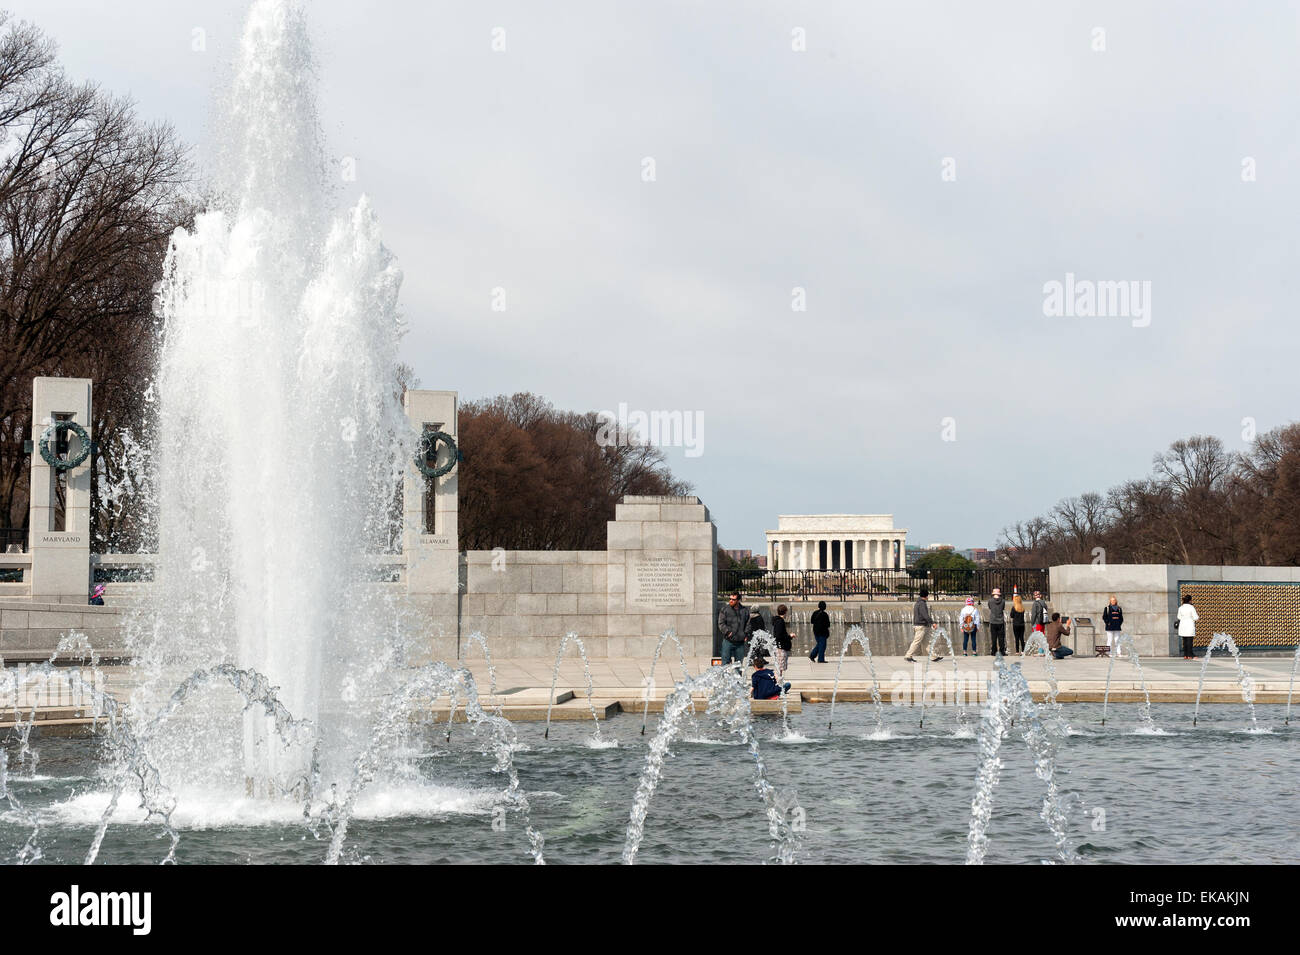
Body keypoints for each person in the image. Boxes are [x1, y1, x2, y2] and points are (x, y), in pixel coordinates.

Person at [904, 586, 943, 663]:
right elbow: (925, 615)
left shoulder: (917, 603)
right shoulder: (922, 604)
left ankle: (933, 656)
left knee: (927, 642)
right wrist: (932, 623)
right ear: (926, 596)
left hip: (920, 625)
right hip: (921, 626)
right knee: (917, 641)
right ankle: (908, 655)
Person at [717, 592, 750, 665]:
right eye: (730, 599)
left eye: (733, 599)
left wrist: (746, 634)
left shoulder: (744, 610)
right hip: (728, 641)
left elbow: (748, 623)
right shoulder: (724, 609)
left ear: (738, 600)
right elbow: (721, 623)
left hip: (740, 642)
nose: (730, 601)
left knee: (738, 664)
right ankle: (726, 677)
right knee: (725, 664)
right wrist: (727, 632)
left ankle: (738, 676)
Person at [771, 604, 792, 680]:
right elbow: (779, 635)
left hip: (779, 646)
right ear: (785, 612)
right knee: (780, 667)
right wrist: (789, 636)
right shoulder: (780, 621)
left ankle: (779, 682)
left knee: (780, 667)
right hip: (781, 647)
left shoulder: (777, 621)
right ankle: (778, 683)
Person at [1177, 594, 1199, 659]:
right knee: (1189, 640)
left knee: (1185, 640)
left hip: (1183, 625)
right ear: (1190, 601)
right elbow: (1195, 617)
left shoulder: (1180, 608)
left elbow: (1178, 617)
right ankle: (1190, 654)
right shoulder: (1191, 607)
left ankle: (1185, 654)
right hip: (1189, 625)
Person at [987, 587, 1007, 656]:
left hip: (993, 621)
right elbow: (1003, 608)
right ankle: (1002, 651)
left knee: (994, 637)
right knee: (1001, 637)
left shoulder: (990, 601)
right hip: (1000, 621)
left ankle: (994, 651)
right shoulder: (1003, 601)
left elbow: (990, 607)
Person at [1010, 586, 1026, 653]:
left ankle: (1017, 651)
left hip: (1016, 624)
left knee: (1016, 638)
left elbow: (1011, 616)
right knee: (1022, 638)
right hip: (1022, 624)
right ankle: (1023, 650)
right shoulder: (1022, 608)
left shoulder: (1014, 608)